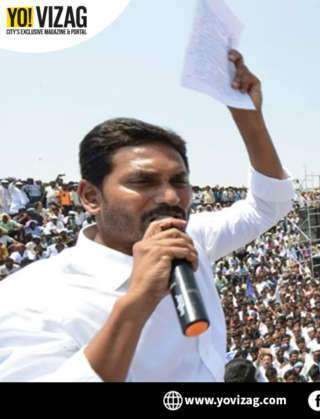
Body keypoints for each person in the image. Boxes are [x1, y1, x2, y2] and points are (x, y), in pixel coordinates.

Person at [0, 49, 294, 382]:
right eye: (143, 182)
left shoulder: (193, 239)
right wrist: (136, 303)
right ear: (90, 197)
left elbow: (268, 205)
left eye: (179, 181)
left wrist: (248, 117)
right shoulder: (32, 297)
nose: (170, 196)